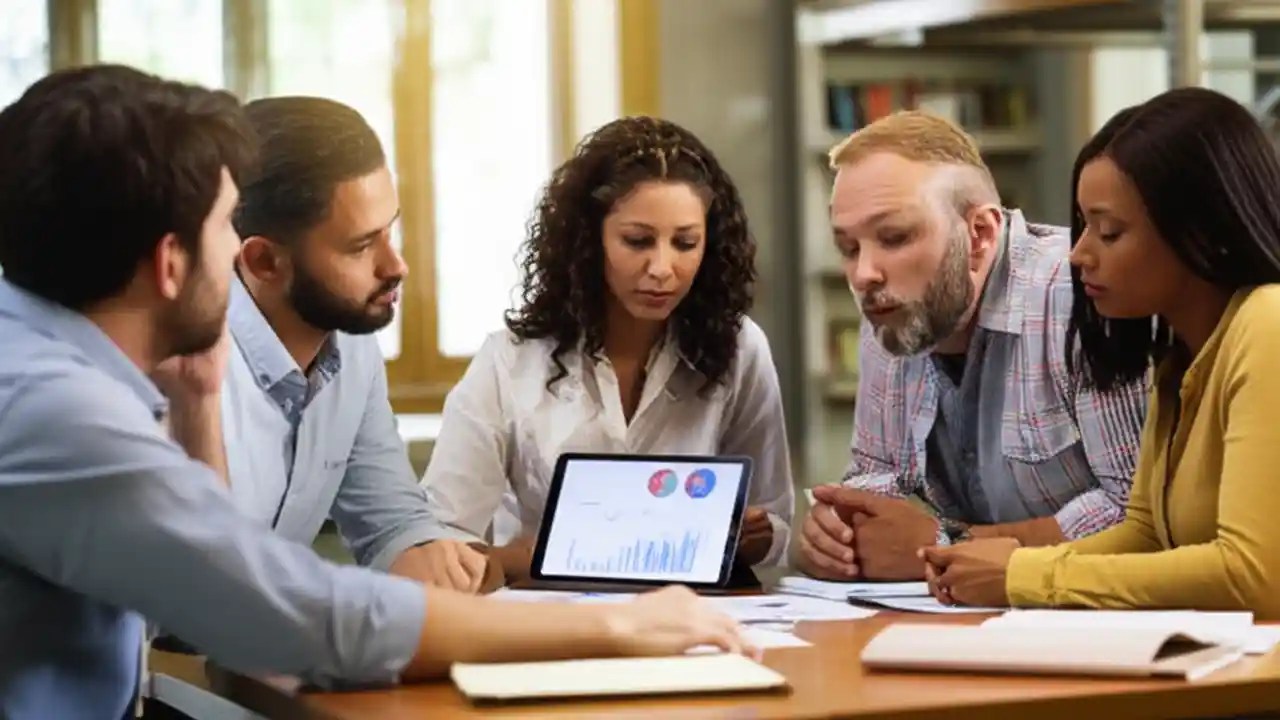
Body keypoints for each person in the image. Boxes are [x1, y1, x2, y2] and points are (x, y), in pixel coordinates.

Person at [0, 65, 751, 720]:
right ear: (170, 263)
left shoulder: (60, 359)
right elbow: (289, 615)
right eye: (226, 225)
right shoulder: (54, 410)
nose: (234, 250)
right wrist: (620, 628)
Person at [922, 86, 1280, 619]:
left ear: (1202, 233)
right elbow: (1145, 534)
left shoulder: (1268, 323)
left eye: (1109, 232)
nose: (1079, 253)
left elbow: (1252, 575)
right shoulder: (1179, 356)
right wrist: (1003, 563)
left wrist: (1026, 575)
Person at [421, 116, 795, 583]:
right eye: (637, 241)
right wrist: (540, 553)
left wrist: (755, 534)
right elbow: (441, 543)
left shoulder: (739, 347)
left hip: (689, 625)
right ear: (588, 241)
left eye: (685, 243)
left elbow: (776, 522)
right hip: (550, 627)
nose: (662, 268)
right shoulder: (509, 361)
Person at [796, 111, 1148, 583]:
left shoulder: (1081, 293)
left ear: (979, 234)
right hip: (975, 620)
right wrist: (840, 533)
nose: (864, 274)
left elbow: (1136, 513)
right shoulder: (892, 309)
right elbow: (876, 474)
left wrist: (943, 544)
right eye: (849, 247)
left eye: (894, 238)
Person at [203, 95, 489, 592]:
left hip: (261, 650)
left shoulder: (351, 347)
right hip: (171, 657)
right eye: (361, 246)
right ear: (264, 262)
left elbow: (391, 524)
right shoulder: (188, 365)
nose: (395, 265)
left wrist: (431, 556)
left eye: (390, 232)